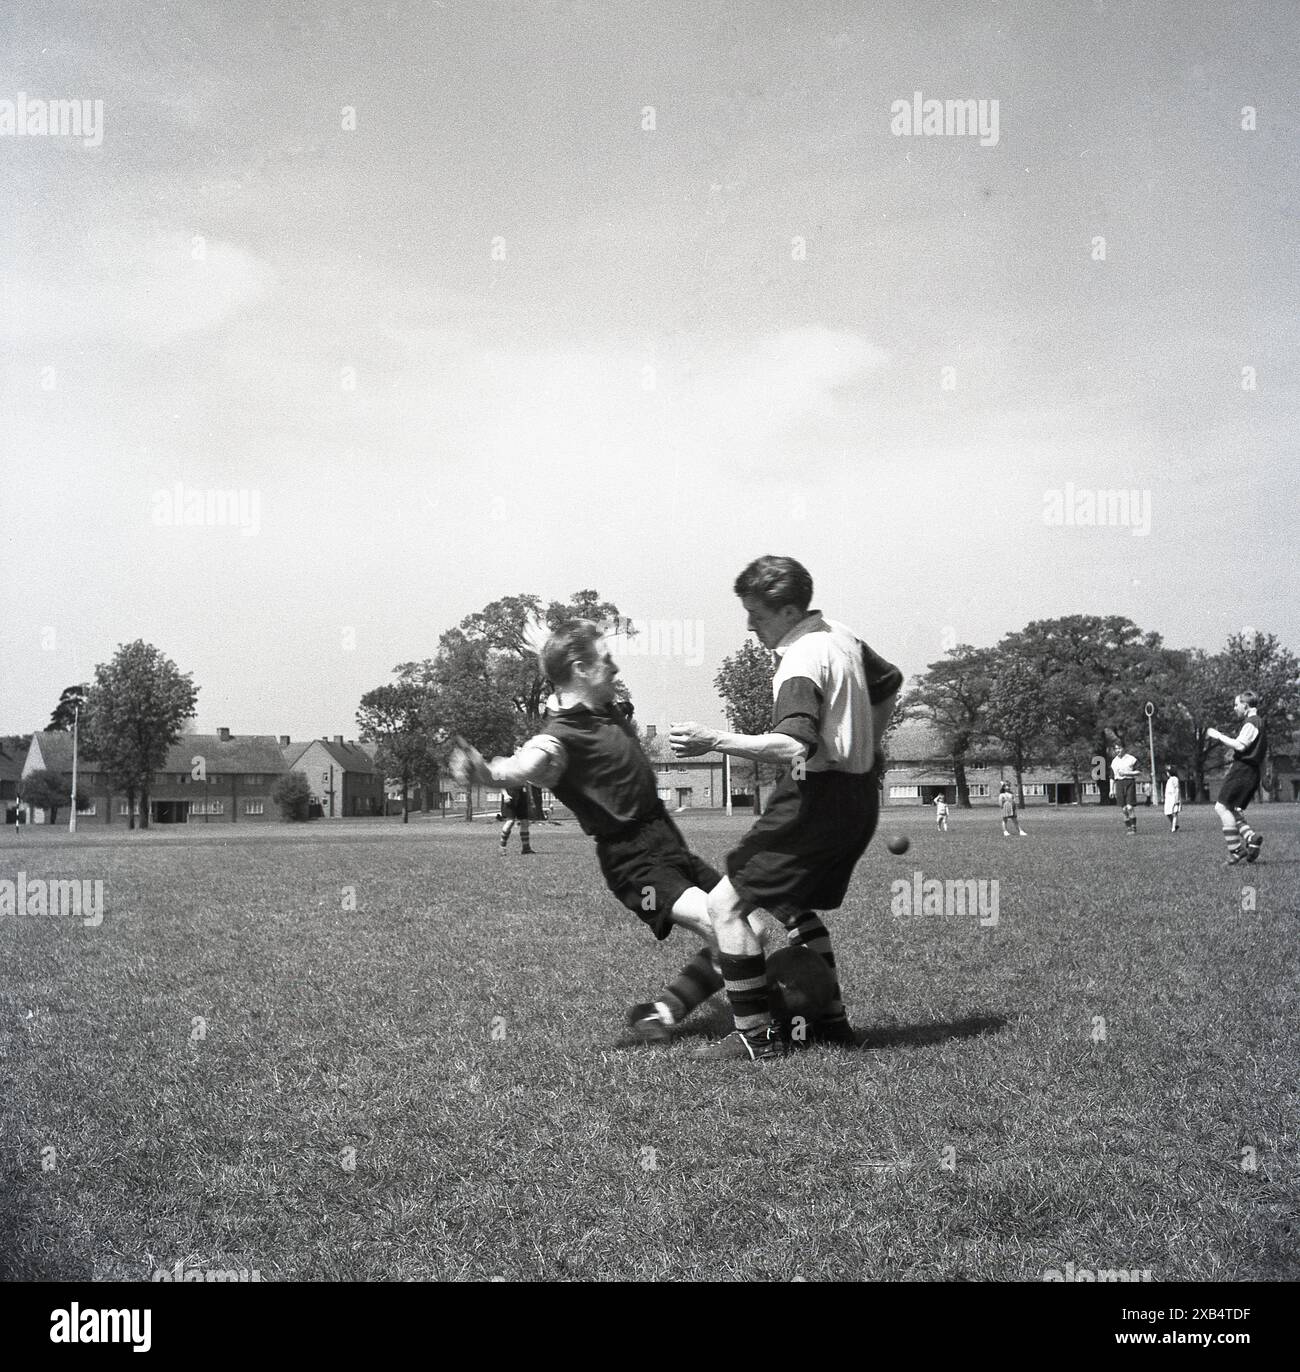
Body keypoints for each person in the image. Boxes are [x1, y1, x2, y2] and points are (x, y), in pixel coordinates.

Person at [450, 619, 751, 1044]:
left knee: (750, 925)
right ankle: (762, 1024)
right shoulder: (557, 740)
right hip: (634, 859)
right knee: (723, 923)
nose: (615, 669)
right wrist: (487, 772)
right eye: (606, 661)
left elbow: (564, 673)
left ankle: (661, 1012)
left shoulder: (600, 706)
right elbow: (523, 764)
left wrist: (546, 647)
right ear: (581, 669)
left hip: (666, 839)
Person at [669, 555, 902, 1062]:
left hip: (815, 801)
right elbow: (889, 683)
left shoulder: (799, 661)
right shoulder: (843, 637)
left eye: (758, 614)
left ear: (790, 609)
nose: (750, 625)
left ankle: (755, 1038)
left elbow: (795, 745)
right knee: (791, 905)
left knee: (726, 906)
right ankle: (832, 1024)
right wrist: (871, 743)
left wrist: (715, 739)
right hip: (857, 798)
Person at [1207, 692, 1267, 865]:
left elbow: (1240, 745)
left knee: (1221, 808)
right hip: (1252, 772)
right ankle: (1251, 837)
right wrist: (1263, 777)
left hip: (1242, 770)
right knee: (1232, 809)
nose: (1234, 708)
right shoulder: (1261, 723)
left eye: (1236, 705)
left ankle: (1236, 850)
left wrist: (1219, 736)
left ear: (1245, 706)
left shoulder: (1251, 723)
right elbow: (1263, 754)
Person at [1110, 744, 1140, 835]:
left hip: (1129, 782)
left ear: (1124, 748)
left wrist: (1127, 773)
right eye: (1116, 749)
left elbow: (1139, 772)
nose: (1118, 750)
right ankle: (1128, 828)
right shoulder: (1114, 762)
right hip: (1119, 784)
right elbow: (1112, 777)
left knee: (1130, 807)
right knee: (1124, 809)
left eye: (1119, 748)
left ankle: (1134, 828)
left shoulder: (1131, 759)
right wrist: (1111, 790)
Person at [498, 784, 534, 854]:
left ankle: (526, 848)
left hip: (523, 796)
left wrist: (530, 797)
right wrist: (505, 795)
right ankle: (502, 847)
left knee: (525, 822)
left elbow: (527, 783)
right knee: (510, 821)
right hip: (510, 795)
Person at [1162, 766, 1182, 834]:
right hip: (1168, 798)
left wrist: (1176, 799)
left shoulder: (1175, 779)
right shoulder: (1169, 779)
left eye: (1168, 772)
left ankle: (1173, 828)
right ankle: (1174, 825)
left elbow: (1176, 789)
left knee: (1175, 813)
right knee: (1168, 813)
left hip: (1174, 797)